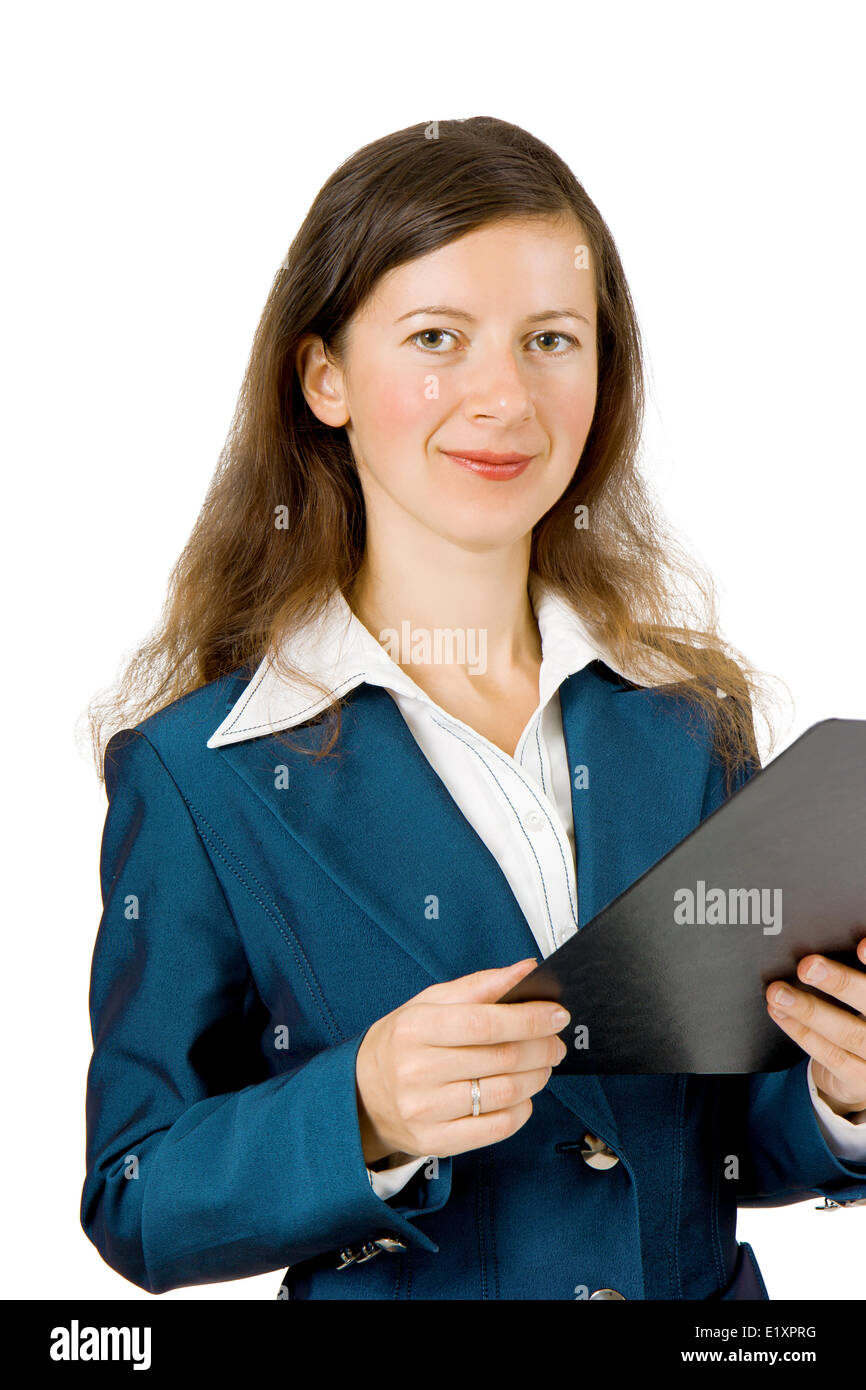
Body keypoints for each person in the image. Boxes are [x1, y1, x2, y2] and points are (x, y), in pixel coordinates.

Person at [81, 116, 866, 1300]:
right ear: (324, 378)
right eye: (436, 337)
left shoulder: (682, 722)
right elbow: (135, 1197)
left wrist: (837, 1089)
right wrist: (363, 1109)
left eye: (551, 339)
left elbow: (711, 1133)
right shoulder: (204, 773)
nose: (503, 395)